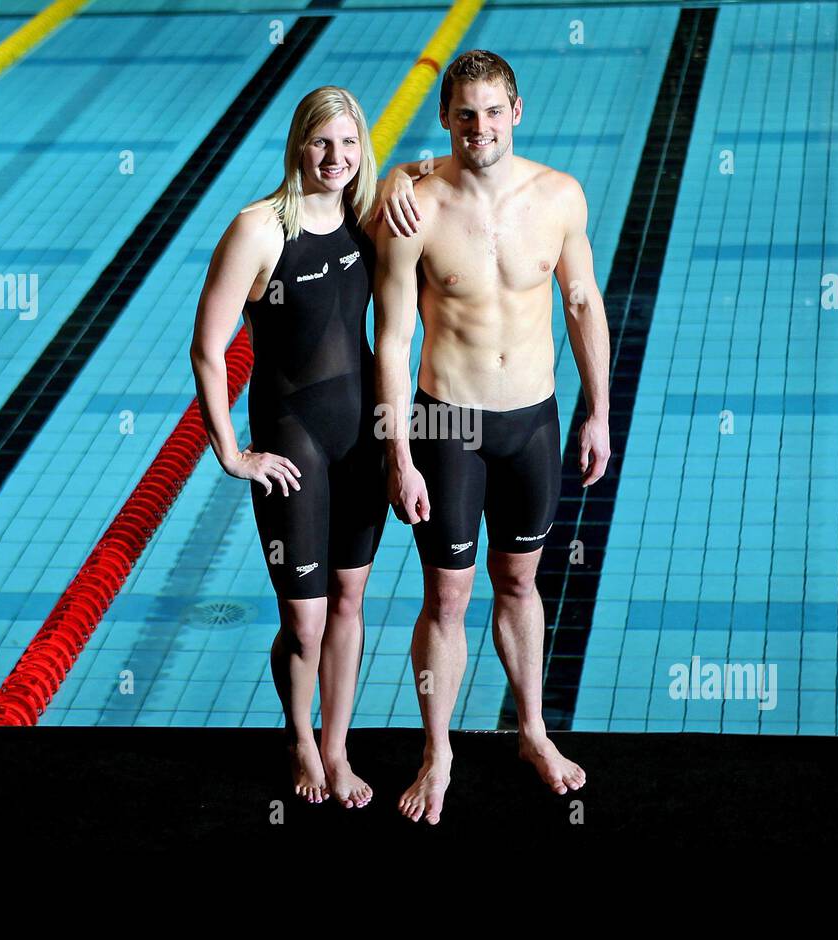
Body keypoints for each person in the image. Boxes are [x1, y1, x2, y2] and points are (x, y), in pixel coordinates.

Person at [373, 50, 612, 825]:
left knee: (519, 585)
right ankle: (437, 751)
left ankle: (533, 732)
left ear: (518, 112)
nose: (480, 127)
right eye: (465, 114)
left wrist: (598, 411)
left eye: (493, 111)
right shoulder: (415, 205)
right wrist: (398, 453)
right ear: (445, 119)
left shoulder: (559, 196)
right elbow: (392, 341)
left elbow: (582, 303)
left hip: (532, 421)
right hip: (446, 422)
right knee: (446, 597)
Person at [191, 86, 394, 808]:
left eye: (349, 144)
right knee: (303, 620)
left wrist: (425, 168)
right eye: (321, 144)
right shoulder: (259, 230)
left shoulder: (367, 222)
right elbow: (208, 348)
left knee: (349, 600)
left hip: (361, 437)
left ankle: (335, 748)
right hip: (292, 438)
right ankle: (298, 736)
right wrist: (230, 452)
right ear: (297, 147)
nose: (336, 159)